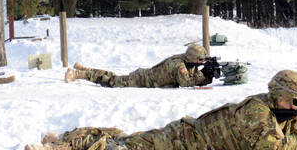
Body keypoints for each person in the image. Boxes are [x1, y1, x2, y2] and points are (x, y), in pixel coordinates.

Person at [24, 70, 297, 150]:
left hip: (193, 142)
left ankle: (64, 138)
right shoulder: (258, 110)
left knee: (124, 141)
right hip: (183, 140)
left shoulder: (286, 118)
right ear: (277, 94)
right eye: (294, 101)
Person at [64, 42, 214, 88]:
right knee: (111, 81)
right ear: (193, 58)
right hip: (143, 80)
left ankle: (85, 69)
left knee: (114, 77)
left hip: (147, 77)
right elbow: (186, 82)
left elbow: (193, 77)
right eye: (200, 59)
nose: (202, 62)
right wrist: (205, 75)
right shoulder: (179, 65)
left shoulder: (187, 62)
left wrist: (207, 76)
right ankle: (80, 74)